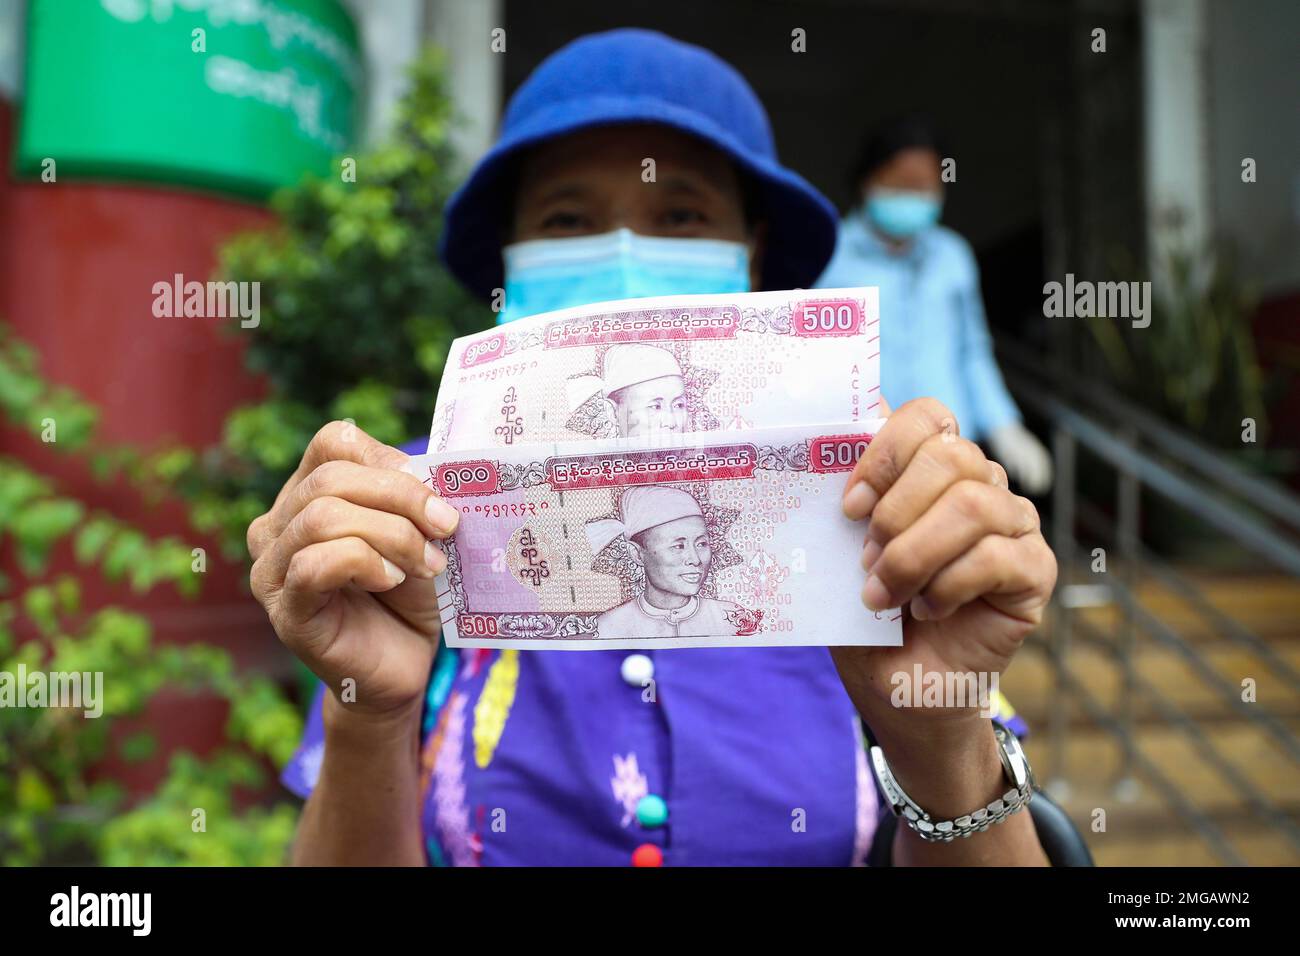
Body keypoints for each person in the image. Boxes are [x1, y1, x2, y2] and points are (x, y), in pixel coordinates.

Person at [254, 29, 1056, 866]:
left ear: (752, 254)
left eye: (681, 214)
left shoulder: (865, 512)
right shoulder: (413, 514)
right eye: (567, 218)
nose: (627, 250)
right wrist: (366, 716)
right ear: (509, 261)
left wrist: (941, 739)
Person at [816, 114, 1053, 493]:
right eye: (902, 184)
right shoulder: (828, 253)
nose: (914, 194)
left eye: (925, 186)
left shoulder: (953, 255)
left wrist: (1005, 424)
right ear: (868, 180)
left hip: (954, 444)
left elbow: (972, 351)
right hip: (867, 451)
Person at [587, 486, 746, 639]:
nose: (695, 560)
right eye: (678, 546)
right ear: (637, 554)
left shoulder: (732, 618)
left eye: (701, 544)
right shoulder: (608, 628)